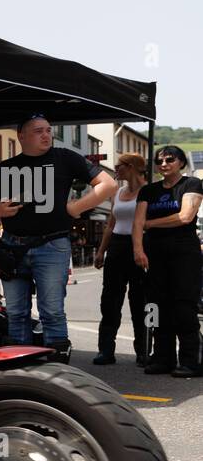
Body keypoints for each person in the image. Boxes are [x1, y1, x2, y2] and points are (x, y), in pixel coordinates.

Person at [0, 113, 115, 362]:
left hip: (51, 245)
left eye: (48, 130)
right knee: (15, 312)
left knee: (52, 311)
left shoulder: (64, 158)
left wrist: (77, 207)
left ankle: (57, 371)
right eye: (38, 131)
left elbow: (108, 184)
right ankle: (19, 368)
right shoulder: (6, 167)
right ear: (21, 136)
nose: (46, 135)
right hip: (12, 247)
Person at [133, 145, 203, 376]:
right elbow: (137, 223)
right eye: (159, 161)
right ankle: (163, 358)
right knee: (156, 306)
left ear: (181, 162)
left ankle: (190, 361)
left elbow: (185, 216)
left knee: (183, 306)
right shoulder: (148, 191)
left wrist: (151, 224)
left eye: (169, 160)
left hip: (184, 254)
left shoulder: (191, 184)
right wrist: (137, 249)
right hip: (154, 254)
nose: (163, 164)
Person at [92, 154, 149, 366]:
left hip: (140, 248)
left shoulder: (149, 191)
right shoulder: (118, 192)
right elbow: (110, 224)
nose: (116, 169)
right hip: (117, 246)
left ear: (132, 167)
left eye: (119, 166)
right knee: (110, 300)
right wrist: (101, 251)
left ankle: (143, 351)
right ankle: (106, 350)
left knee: (139, 301)